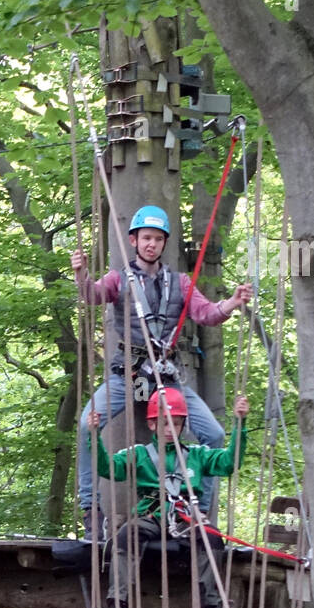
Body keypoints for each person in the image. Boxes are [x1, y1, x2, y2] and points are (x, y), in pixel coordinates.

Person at [72, 204, 253, 539]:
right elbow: (92, 295)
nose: (151, 244)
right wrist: (81, 274)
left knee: (212, 434)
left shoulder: (179, 282)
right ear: (134, 240)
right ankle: (91, 510)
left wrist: (233, 303)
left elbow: (208, 314)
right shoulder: (118, 279)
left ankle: (199, 513)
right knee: (86, 424)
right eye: (145, 238)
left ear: (163, 243)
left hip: (165, 377)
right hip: (126, 373)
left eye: (157, 239)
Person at [90, 387, 250, 608]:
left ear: (181, 426)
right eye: (164, 423)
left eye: (175, 423)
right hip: (151, 515)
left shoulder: (197, 455)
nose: (169, 429)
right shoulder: (139, 455)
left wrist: (240, 425)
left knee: (211, 540)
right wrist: (95, 436)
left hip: (185, 517)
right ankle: (117, 602)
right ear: (153, 424)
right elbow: (107, 468)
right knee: (127, 535)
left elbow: (229, 463)